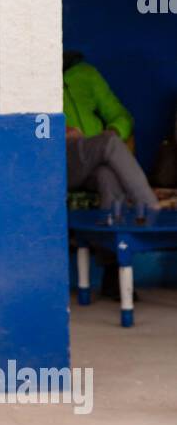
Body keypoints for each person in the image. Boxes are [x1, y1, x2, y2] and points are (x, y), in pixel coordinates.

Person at [63, 51, 160, 298]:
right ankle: (149, 206)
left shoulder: (85, 74)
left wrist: (115, 129)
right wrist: (55, 131)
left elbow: (122, 115)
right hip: (58, 159)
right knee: (108, 143)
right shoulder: (33, 77)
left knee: (109, 177)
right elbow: (30, 126)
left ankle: (112, 270)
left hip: (92, 158)